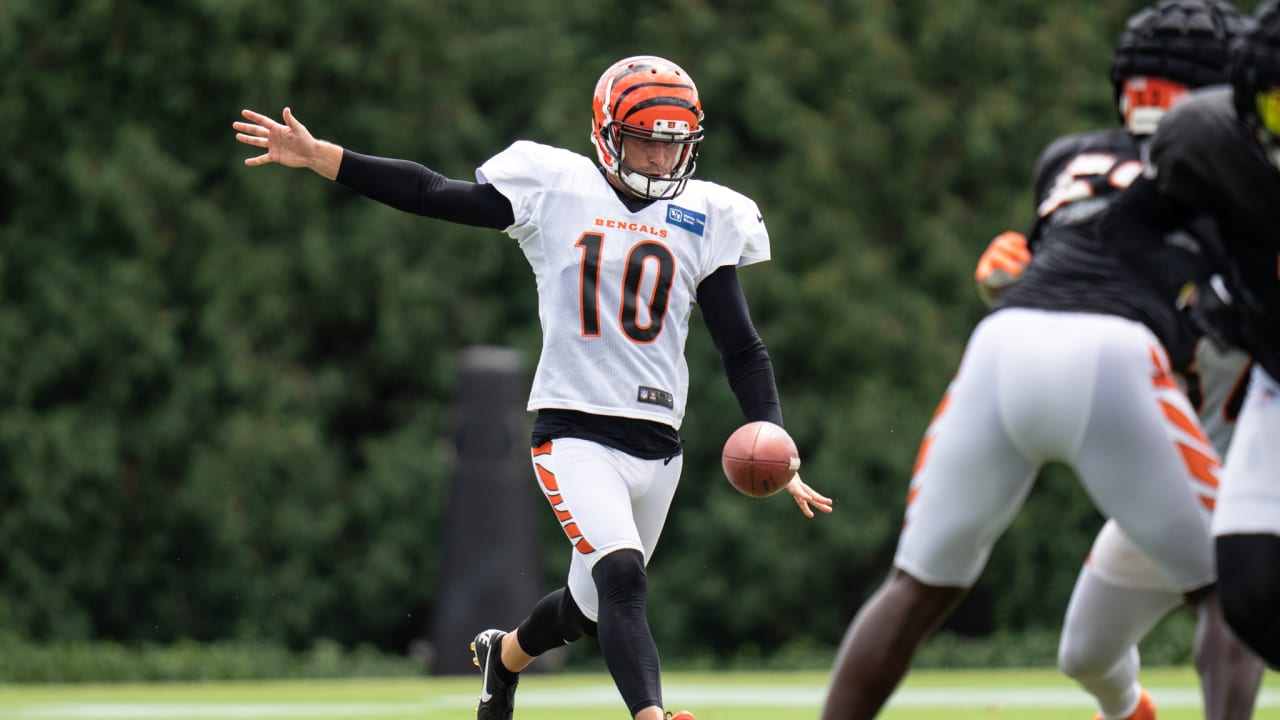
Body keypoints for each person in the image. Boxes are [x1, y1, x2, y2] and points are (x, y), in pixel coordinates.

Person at [234, 55, 833, 720]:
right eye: (646, 141)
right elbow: (435, 192)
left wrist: (772, 432)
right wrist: (329, 159)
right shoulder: (557, 188)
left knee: (588, 608)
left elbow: (742, 348)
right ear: (607, 133)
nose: (662, 160)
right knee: (624, 581)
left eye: (673, 144)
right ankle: (653, 715)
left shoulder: (707, 214)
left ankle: (504, 657)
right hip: (573, 431)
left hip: (660, 446)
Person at [819, 3, 1260, 719]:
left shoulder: (1069, 156)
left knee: (917, 586)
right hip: (1116, 356)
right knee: (1231, 590)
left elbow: (1067, 254)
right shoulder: (1229, 165)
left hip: (1004, 343)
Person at [971, 3, 1262, 718]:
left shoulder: (1246, 209)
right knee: (1084, 653)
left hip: (1259, 474)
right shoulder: (1141, 226)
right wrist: (1016, 280)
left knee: (1239, 612)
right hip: (1179, 467)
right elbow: (1087, 293)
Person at [1100, 0, 1280, 672]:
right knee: (1251, 589)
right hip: (1276, 373)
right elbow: (1128, 226)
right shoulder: (1211, 139)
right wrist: (1198, 287)